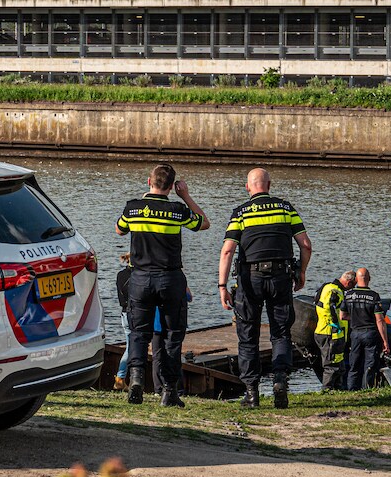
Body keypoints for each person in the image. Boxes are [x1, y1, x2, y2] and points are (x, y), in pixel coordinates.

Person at [218, 168, 312, 409]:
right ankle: (280, 382)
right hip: (281, 277)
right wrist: (301, 271)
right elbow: (306, 245)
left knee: (247, 335)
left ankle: (252, 393)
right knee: (281, 332)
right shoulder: (285, 209)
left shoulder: (241, 212)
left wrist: (222, 285)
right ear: (269, 185)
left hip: (250, 279)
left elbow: (228, 250)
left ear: (248, 187)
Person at [116, 163, 209, 407]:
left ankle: (136, 378)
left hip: (140, 278)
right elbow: (204, 223)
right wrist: (186, 195)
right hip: (170, 279)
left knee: (138, 333)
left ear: (149, 182)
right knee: (171, 336)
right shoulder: (178, 210)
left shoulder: (133, 208)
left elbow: (119, 230)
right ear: (171, 186)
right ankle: (169, 391)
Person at [341, 268, 389, 391]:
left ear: (356, 279)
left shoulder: (348, 295)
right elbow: (380, 320)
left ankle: (351, 389)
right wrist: (385, 341)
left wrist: (356, 318)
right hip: (370, 333)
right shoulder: (374, 296)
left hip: (355, 333)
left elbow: (343, 316)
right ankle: (366, 388)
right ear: (369, 279)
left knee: (354, 364)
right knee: (370, 364)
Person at [314, 271, 355, 391]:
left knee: (339, 364)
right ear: (348, 282)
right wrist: (336, 331)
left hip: (326, 331)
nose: (352, 288)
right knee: (331, 365)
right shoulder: (335, 292)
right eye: (353, 285)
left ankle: (338, 389)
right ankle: (327, 390)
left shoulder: (327, 286)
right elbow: (331, 313)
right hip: (330, 333)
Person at [114, 254, 133, 391]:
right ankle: (120, 378)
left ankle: (122, 379)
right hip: (134, 314)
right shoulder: (138, 275)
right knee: (131, 347)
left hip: (124, 313)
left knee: (130, 345)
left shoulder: (120, 274)